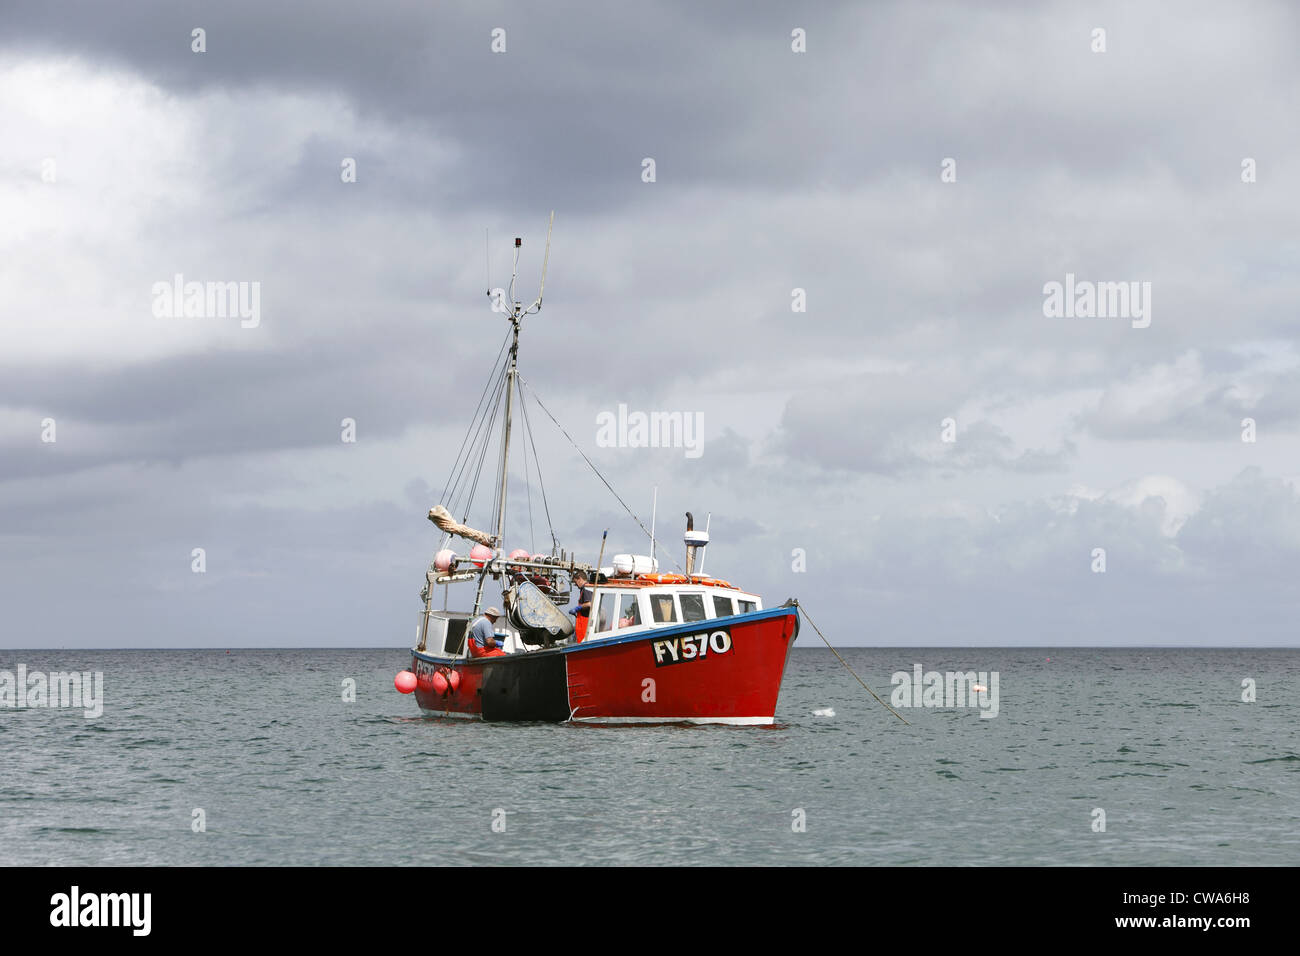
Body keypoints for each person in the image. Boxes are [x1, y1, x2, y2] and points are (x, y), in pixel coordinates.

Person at [569, 572, 593, 642]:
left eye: (575, 582)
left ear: (580, 579)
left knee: (583, 641)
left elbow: (589, 604)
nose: (576, 585)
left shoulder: (586, 588)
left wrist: (577, 608)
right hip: (582, 621)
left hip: (585, 621)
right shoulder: (583, 589)